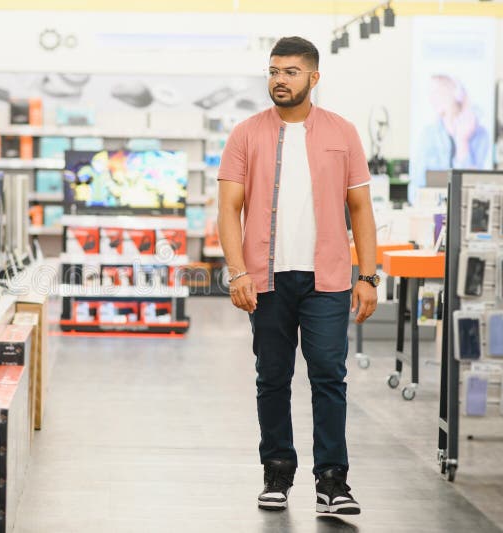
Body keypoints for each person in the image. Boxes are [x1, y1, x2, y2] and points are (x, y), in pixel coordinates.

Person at [217, 36, 378, 516]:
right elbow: (228, 209)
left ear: (314, 77)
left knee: (329, 376)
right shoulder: (246, 134)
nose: (279, 80)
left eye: (290, 71)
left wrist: (368, 276)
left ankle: (332, 481)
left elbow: (360, 208)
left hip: (326, 279)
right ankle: (277, 473)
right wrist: (236, 272)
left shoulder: (342, 132)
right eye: (273, 71)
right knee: (272, 378)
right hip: (265, 279)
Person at [410, 74, 489, 204]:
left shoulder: (481, 135)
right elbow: (414, 192)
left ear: (457, 95)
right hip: (433, 211)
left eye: (438, 92)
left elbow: (477, 190)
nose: (432, 99)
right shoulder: (428, 135)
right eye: (431, 94)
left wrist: (462, 142)